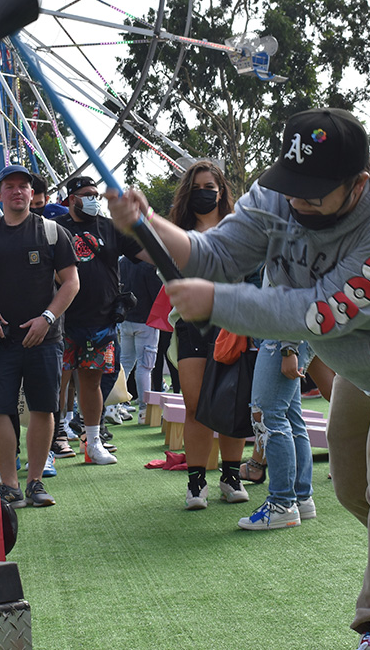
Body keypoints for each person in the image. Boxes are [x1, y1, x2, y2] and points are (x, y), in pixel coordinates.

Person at [110, 108, 370, 650]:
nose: (297, 201)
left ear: (360, 181)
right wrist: (148, 222)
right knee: (353, 489)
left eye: (315, 193)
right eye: (292, 186)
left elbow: (318, 313)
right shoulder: (282, 191)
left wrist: (218, 302)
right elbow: (215, 253)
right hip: (367, 358)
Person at [0, 165, 79, 507]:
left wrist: (46, 317)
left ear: (32, 193)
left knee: (43, 408)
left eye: (23, 187)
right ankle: (9, 485)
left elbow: (71, 282)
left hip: (45, 337)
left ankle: (37, 481)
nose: (17, 192)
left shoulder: (52, 233)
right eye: (9, 186)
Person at [165, 160, 248, 509]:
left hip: (233, 320)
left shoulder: (239, 228)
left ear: (222, 190)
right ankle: (196, 483)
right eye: (197, 188)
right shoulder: (177, 232)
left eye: (210, 187)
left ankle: (231, 476)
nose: (204, 194)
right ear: (188, 193)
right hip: (192, 321)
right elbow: (168, 274)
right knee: (195, 404)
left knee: (232, 400)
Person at [53, 175, 147, 466]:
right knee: (55, 383)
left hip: (101, 321)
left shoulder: (110, 227)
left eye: (96, 194)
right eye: (87, 194)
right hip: (63, 321)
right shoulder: (56, 230)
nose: (94, 199)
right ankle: (49, 444)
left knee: (92, 382)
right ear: (71, 199)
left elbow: (145, 251)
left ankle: (93, 442)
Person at [237, 339, 315, 529]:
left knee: (268, 414)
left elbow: (291, 308)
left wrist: (289, 348)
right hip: (286, 337)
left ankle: (283, 503)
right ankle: (300, 498)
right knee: (290, 415)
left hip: (282, 337)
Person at [118, 254, 161, 424]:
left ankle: (113, 406)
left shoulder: (123, 262)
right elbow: (157, 295)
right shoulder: (149, 264)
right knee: (144, 367)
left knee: (124, 364)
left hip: (126, 319)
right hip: (146, 321)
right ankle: (144, 411)